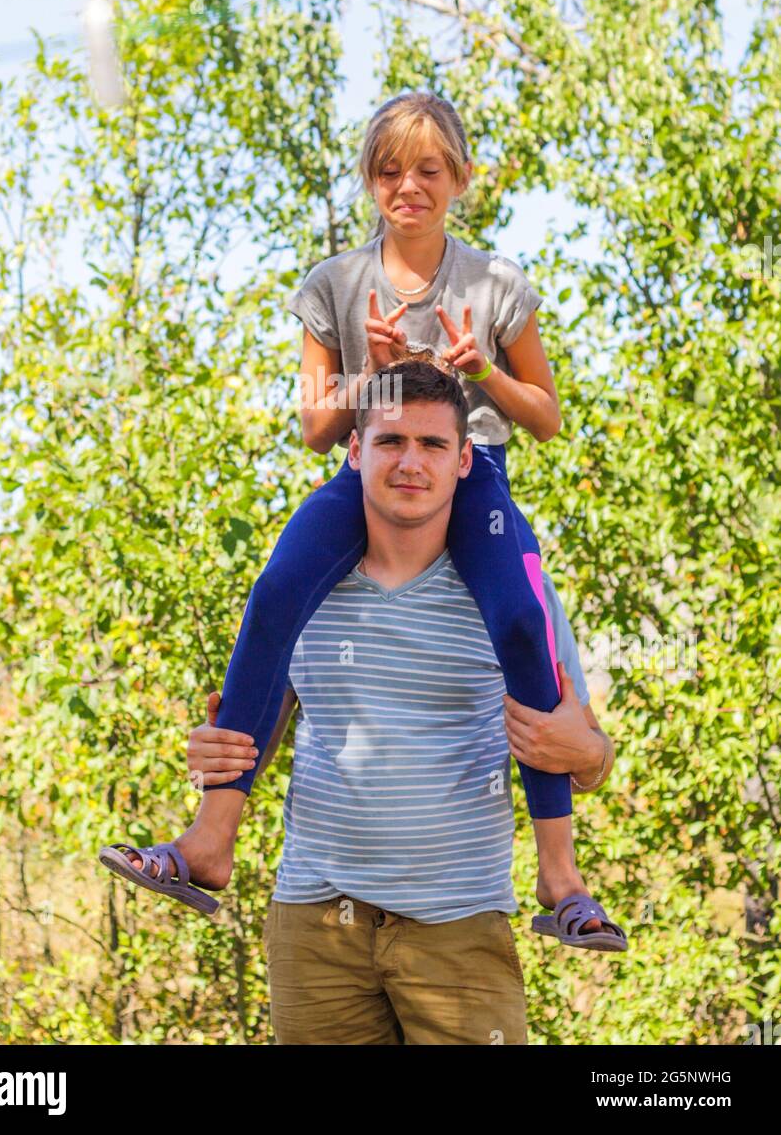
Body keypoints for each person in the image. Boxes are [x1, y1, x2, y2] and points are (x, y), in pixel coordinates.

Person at [98, 90, 624, 948]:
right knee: (273, 597)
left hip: (471, 468)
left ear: (458, 177)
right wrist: (366, 371)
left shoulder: (495, 284)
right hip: (365, 468)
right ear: (369, 182)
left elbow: (546, 416)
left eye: (426, 170)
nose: (406, 186)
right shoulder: (334, 284)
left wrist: (483, 372)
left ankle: (561, 877)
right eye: (388, 171)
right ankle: (210, 842)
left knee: (524, 626)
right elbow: (314, 427)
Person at [191, 359, 625, 1044]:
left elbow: (589, 750)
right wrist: (214, 753)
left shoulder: (511, 591)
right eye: (391, 441)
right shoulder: (305, 583)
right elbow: (264, 728)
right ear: (357, 450)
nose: (410, 463)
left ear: (463, 462)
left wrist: (589, 753)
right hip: (316, 927)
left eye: (432, 445)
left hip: (458, 933)